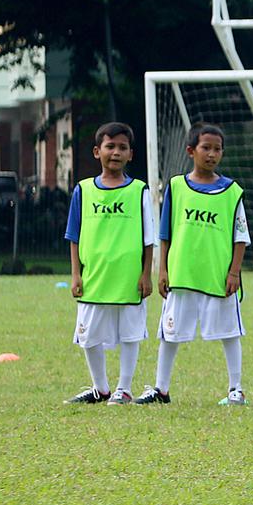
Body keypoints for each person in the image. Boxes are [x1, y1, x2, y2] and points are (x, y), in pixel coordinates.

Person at [135, 123, 250, 406]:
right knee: (170, 333)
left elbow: (240, 236)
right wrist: (162, 269)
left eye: (217, 149)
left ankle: (236, 389)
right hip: (182, 274)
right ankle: (161, 389)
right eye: (206, 148)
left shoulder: (232, 191)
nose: (212, 154)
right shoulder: (176, 185)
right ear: (191, 151)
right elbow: (166, 232)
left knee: (229, 332)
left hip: (217, 275)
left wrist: (234, 271)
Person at [63, 122, 155, 405]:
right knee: (88, 335)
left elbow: (148, 238)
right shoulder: (83, 190)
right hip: (94, 276)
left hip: (128, 276)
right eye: (110, 146)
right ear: (96, 151)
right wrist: (76, 274)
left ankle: (124, 388)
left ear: (130, 154)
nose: (115, 152)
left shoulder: (139, 191)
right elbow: (74, 236)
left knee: (130, 334)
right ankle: (100, 388)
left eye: (122, 147)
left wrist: (146, 274)